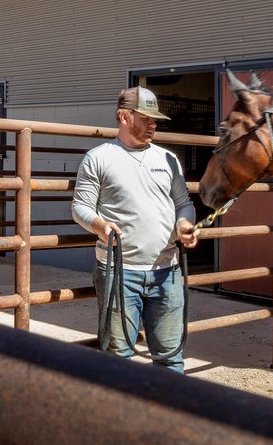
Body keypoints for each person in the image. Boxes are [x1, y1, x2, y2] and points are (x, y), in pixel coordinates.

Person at [72, 86, 198, 373]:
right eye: (146, 118)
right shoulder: (99, 158)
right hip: (119, 271)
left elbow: (184, 204)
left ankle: (168, 402)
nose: (153, 124)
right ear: (123, 117)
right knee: (118, 357)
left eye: (155, 119)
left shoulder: (167, 159)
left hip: (167, 269)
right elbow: (80, 207)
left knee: (171, 357)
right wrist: (100, 225)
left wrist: (184, 223)